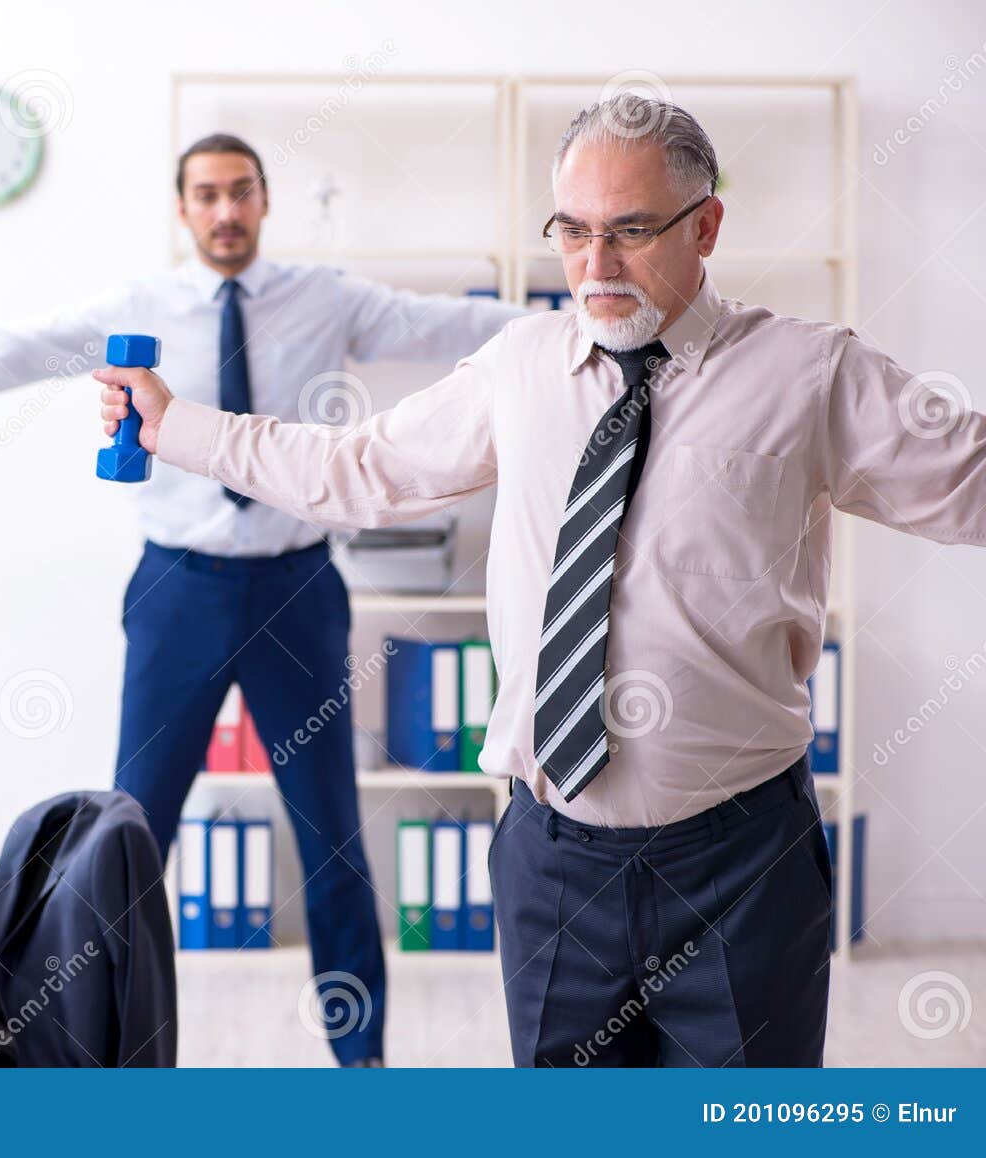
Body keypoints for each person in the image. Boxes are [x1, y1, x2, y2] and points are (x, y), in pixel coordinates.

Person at [95, 96, 980, 1067]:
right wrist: (171, 423)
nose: (595, 267)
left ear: (706, 226)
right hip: (551, 866)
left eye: (631, 231)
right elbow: (352, 469)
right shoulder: (516, 367)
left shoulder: (808, 374)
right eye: (572, 232)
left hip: (740, 870)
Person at [0, 132, 525, 1066]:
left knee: (331, 839)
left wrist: (583, 321)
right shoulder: (140, 307)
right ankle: (104, 1059)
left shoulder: (324, 298)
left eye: (241, 192)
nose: (225, 211)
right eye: (206, 195)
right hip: (179, 592)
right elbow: (3, 352)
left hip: (298, 591)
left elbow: (448, 326)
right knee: (129, 836)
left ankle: (360, 1060)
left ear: (264, 199)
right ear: (182, 207)